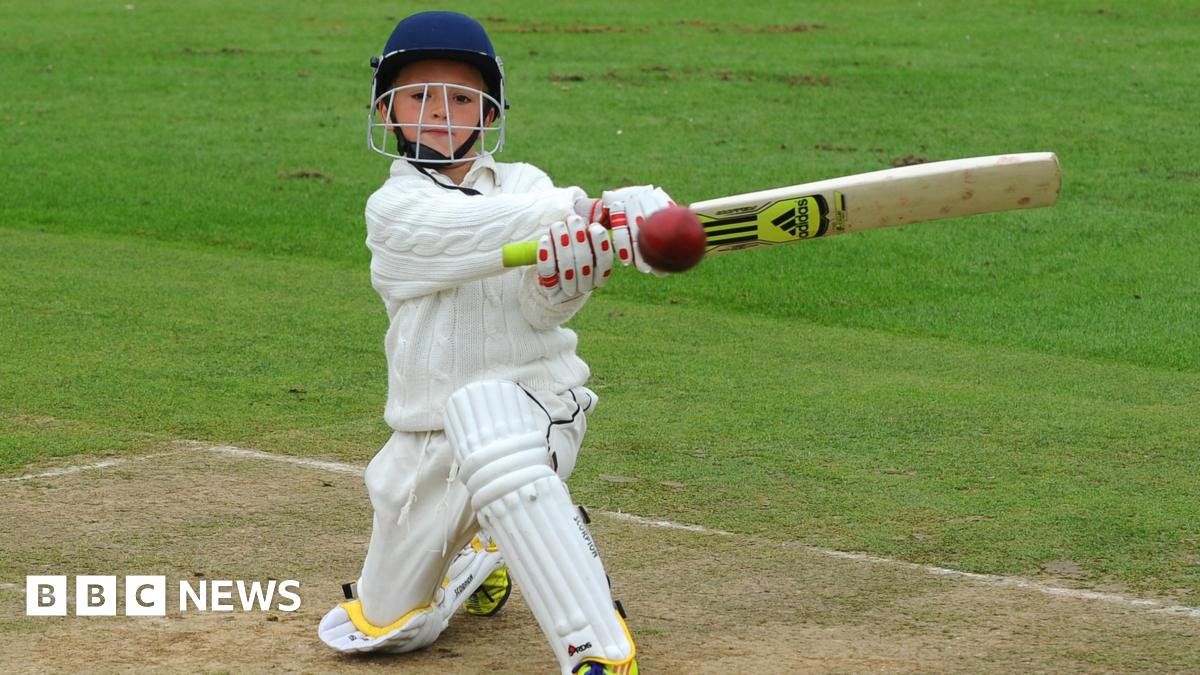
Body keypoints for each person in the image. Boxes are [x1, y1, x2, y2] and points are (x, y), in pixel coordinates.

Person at [317, 11, 672, 675]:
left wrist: (574, 270)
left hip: (532, 408)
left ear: (488, 113)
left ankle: (597, 644)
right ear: (388, 110)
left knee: (488, 422)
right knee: (382, 629)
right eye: (419, 97)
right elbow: (465, 233)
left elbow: (543, 309)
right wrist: (585, 211)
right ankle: (484, 552)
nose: (441, 114)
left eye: (460, 99)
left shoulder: (527, 185)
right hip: (424, 438)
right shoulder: (394, 211)